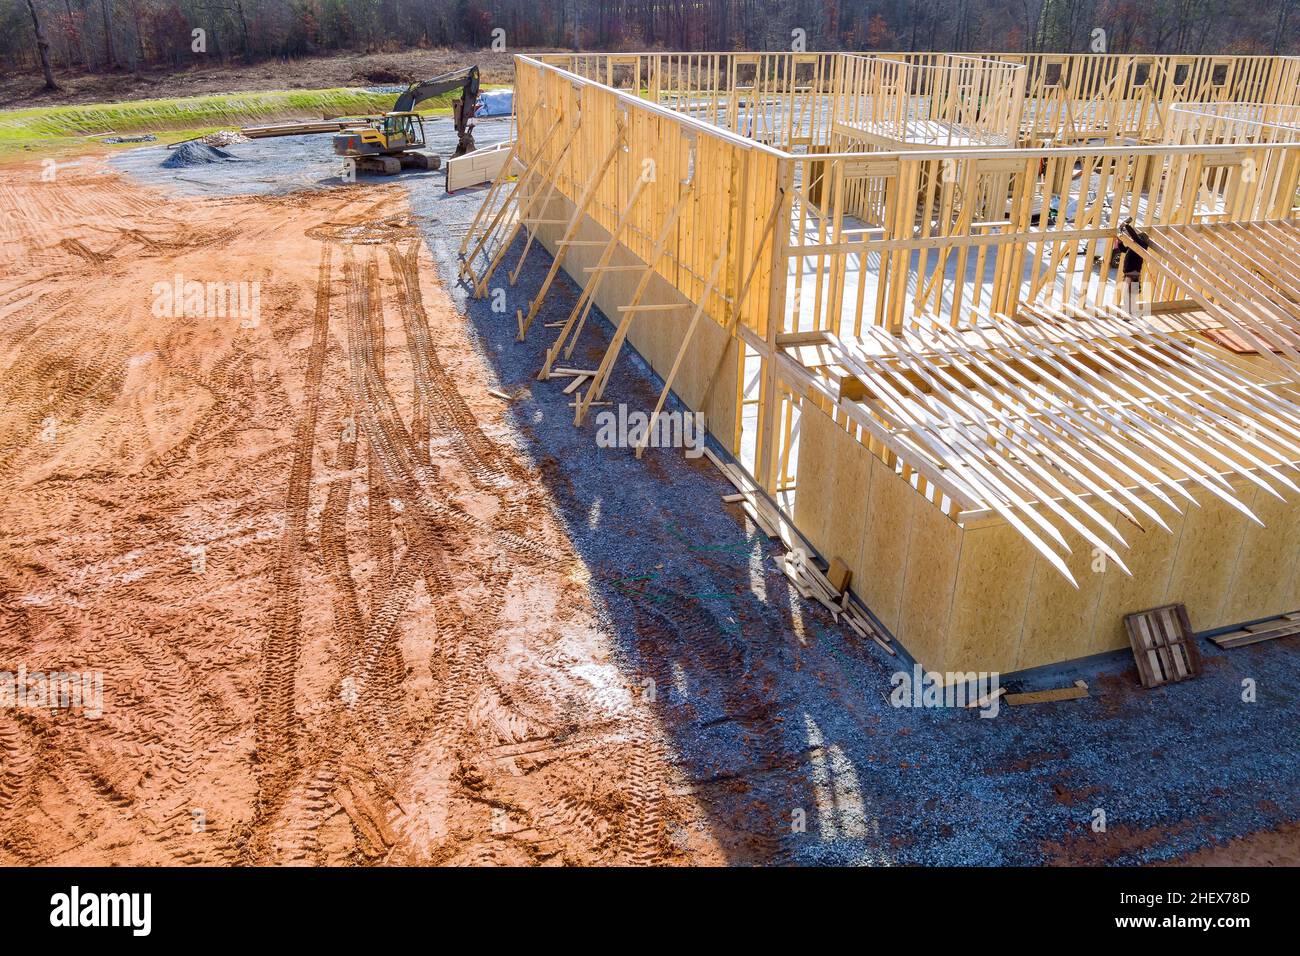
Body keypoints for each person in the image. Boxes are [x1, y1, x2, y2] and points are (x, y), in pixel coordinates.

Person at [1114, 218, 1149, 316]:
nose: (1134, 239)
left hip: (1133, 274)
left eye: (1138, 238)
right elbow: (1123, 250)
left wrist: (1126, 225)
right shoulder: (1134, 246)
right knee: (1128, 295)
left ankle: (1129, 314)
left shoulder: (1142, 246)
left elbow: (1135, 237)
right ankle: (1130, 313)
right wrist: (1119, 241)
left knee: (1129, 295)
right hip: (1129, 274)